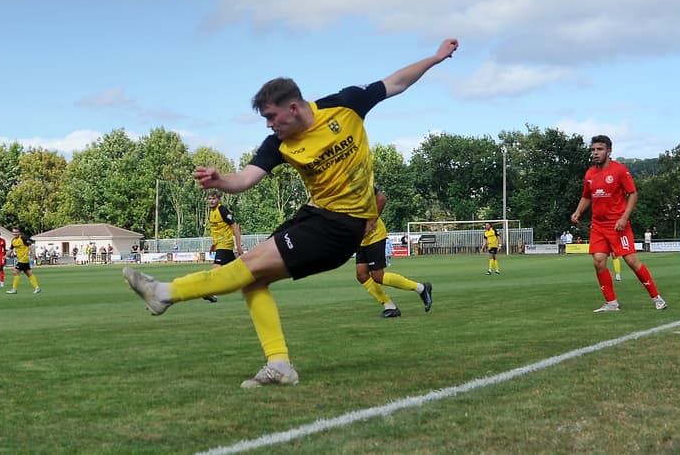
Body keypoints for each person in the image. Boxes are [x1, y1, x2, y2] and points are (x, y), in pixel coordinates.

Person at [123, 38, 459, 388]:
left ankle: (164, 294)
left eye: (271, 116)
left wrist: (435, 59)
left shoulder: (345, 105)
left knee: (247, 268)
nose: (269, 125)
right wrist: (222, 180)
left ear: (294, 107)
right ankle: (279, 364)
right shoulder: (277, 145)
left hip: (340, 227)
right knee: (253, 280)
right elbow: (246, 179)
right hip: (317, 219)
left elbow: (397, 82)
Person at [570, 135, 667, 312]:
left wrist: (624, 218)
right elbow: (586, 196)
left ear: (609, 151)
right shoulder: (590, 173)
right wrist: (578, 211)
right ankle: (612, 303)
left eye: (599, 149)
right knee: (599, 261)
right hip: (598, 226)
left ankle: (657, 298)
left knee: (631, 261)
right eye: (593, 149)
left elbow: (633, 194)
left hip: (617, 225)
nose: (595, 153)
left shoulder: (620, 170)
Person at [356, 190, 432, 318]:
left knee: (378, 276)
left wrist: (370, 223)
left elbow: (381, 198)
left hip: (374, 236)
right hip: (360, 239)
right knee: (361, 275)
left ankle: (421, 288)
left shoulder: (355, 183)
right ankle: (390, 306)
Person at [202, 191, 244, 303]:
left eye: (213, 199)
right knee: (237, 271)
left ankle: (211, 292)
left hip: (225, 244)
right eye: (209, 199)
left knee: (216, 268)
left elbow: (235, 226)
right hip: (220, 245)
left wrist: (238, 245)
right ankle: (252, 287)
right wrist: (214, 245)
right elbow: (218, 231)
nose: (211, 201)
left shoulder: (222, 210)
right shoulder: (211, 213)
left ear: (218, 200)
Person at [7, 229, 41, 294]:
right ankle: (37, 288)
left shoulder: (23, 238)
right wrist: (5, 256)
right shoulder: (13, 240)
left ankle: (14, 289)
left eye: (16, 232)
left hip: (24, 258)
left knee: (15, 272)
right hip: (21, 259)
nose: (15, 233)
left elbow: (30, 246)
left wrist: (33, 254)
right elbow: (10, 250)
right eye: (14, 232)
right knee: (29, 274)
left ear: (19, 232)